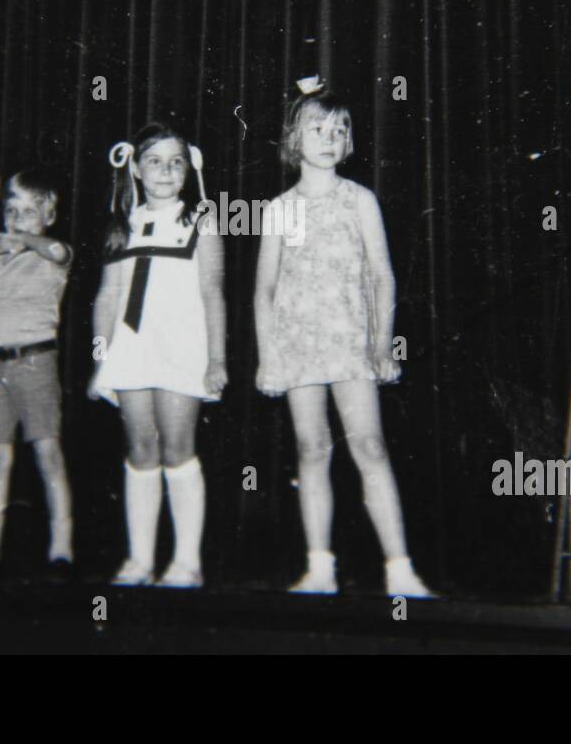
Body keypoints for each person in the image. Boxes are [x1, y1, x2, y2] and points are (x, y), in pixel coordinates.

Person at [254, 79, 431, 598]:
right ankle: (319, 568)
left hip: (351, 342)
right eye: (317, 128)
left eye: (339, 130)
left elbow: (382, 275)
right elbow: (264, 290)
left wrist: (381, 344)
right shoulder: (279, 210)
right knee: (311, 449)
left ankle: (400, 570)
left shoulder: (360, 201)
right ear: (294, 138)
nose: (329, 138)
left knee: (370, 446)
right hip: (297, 345)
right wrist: (269, 359)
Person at [89, 124, 227, 588]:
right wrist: (100, 359)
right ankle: (140, 560)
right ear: (134, 167)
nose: (166, 171)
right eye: (154, 161)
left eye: (176, 162)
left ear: (190, 170)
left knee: (177, 448)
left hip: (182, 347)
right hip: (132, 349)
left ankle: (187, 561)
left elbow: (213, 293)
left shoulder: (200, 222)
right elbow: (107, 297)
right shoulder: (120, 224)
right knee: (140, 449)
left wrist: (217, 359)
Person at [0, 172, 73, 576]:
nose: (19, 219)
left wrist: (25, 240)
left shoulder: (50, 255)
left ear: (48, 214)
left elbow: (60, 252)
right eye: (12, 210)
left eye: (30, 212)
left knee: (48, 455)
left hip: (36, 364)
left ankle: (61, 550)